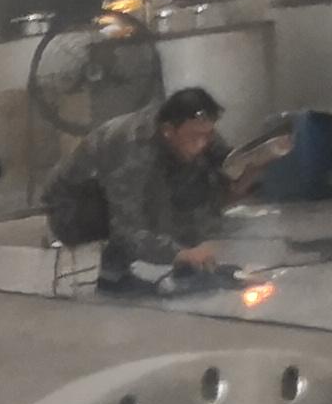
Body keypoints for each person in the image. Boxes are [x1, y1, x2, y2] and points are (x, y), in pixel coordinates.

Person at [43, 84, 234, 289]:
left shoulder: (189, 127)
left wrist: (246, 169)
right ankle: (113, 275)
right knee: (154, 198)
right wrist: (179, 253)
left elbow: (226, 161)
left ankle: (188, 267)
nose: (202, 143)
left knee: (195, 175)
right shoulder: (132, 147)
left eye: (207, 135)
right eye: (195, 138)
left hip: (110, 195)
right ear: (168, 131)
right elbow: (127, 227)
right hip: (72, 209)